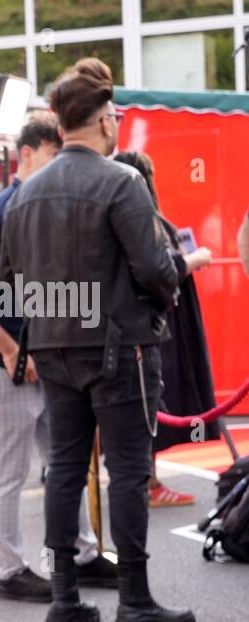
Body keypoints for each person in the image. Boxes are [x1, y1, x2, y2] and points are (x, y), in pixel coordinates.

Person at [0, 57, 189, 622]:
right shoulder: (120, 181)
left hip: (55, 348)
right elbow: (157, 267)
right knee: (127, 472)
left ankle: (65, 600)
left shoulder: (25, 194)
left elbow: (9, 282)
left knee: (63, 470)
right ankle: (134, 603)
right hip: (118, 348)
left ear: (59, 125)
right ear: (105, 121)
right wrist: (158, 301)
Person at [0, 113, 115, 602]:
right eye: (52, 154)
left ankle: (82, 555)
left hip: (44, 360)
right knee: (11, 468)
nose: (60, 165)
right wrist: (9, 350)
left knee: (63, 463)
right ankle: (10, 571)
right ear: (27, 154)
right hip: (8, 362)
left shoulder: (32, 205)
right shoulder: (0, 212)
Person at [114, 150, 220, 508]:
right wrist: (194, 259)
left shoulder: (131, 215)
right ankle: (148, 483)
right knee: (150, 401)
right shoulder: (138, 216)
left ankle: (145, 480)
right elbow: (157, 268)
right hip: (154, 324)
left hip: (152, 322)